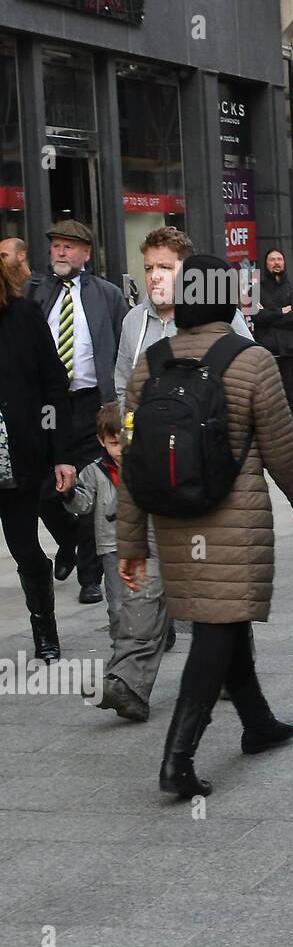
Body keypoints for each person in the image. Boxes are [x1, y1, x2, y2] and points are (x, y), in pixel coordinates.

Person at [118, 254, 293, 798]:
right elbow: (281, 448)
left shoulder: (151, 362)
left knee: (221, 619)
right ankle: (177, 759)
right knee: (218, 626)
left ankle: (257, 724)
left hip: (173, 519)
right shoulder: (249, 360)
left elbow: (132, 462)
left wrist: (131, 542)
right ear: (228, 297)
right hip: (234, 519)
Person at [26, 220, 127, 605]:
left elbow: (123, 345)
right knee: (44, 488)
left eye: (69, 246)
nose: (61, 252)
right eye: (56, 246)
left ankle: (90, 575)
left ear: (86, 252)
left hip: (90, 404)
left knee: (89, 487)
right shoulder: (34, 292)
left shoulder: (107, 295)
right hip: (50, 406)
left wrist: (116, 401)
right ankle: (66, 541)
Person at [0, 241, 73, 662]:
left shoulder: (22, 314)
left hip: (17, 455)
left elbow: (53, 384)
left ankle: (44, 624)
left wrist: (59, 451)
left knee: (25, 547)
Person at [116, 227, 253, 410]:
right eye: (149, 268)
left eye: (165, 267)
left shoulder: (221, 316)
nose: (155, 276)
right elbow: (123, 382)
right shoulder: (133, 320)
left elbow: (250, 378)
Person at [62, 404, 126, 646]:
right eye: (114, 443)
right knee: (118, 603)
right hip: (111, 545)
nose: (121, 450)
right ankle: (121, 645)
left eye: (126, 442)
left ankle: (160, 630)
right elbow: (84, 504)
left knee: (151, 596)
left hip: (146, 542)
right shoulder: (94, 471)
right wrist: (70, 494)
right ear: (101, 441)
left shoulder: (145, 464)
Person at [248, 248, 293, 421]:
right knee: (267, 399)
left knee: (287, 398)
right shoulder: (256, 290)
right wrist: (281, 311)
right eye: (272, 260)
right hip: (266, 351)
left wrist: (269, 314)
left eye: (279, 259)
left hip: (289, 351)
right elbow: (257, 317)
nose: (276, 263)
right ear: (265, 264)